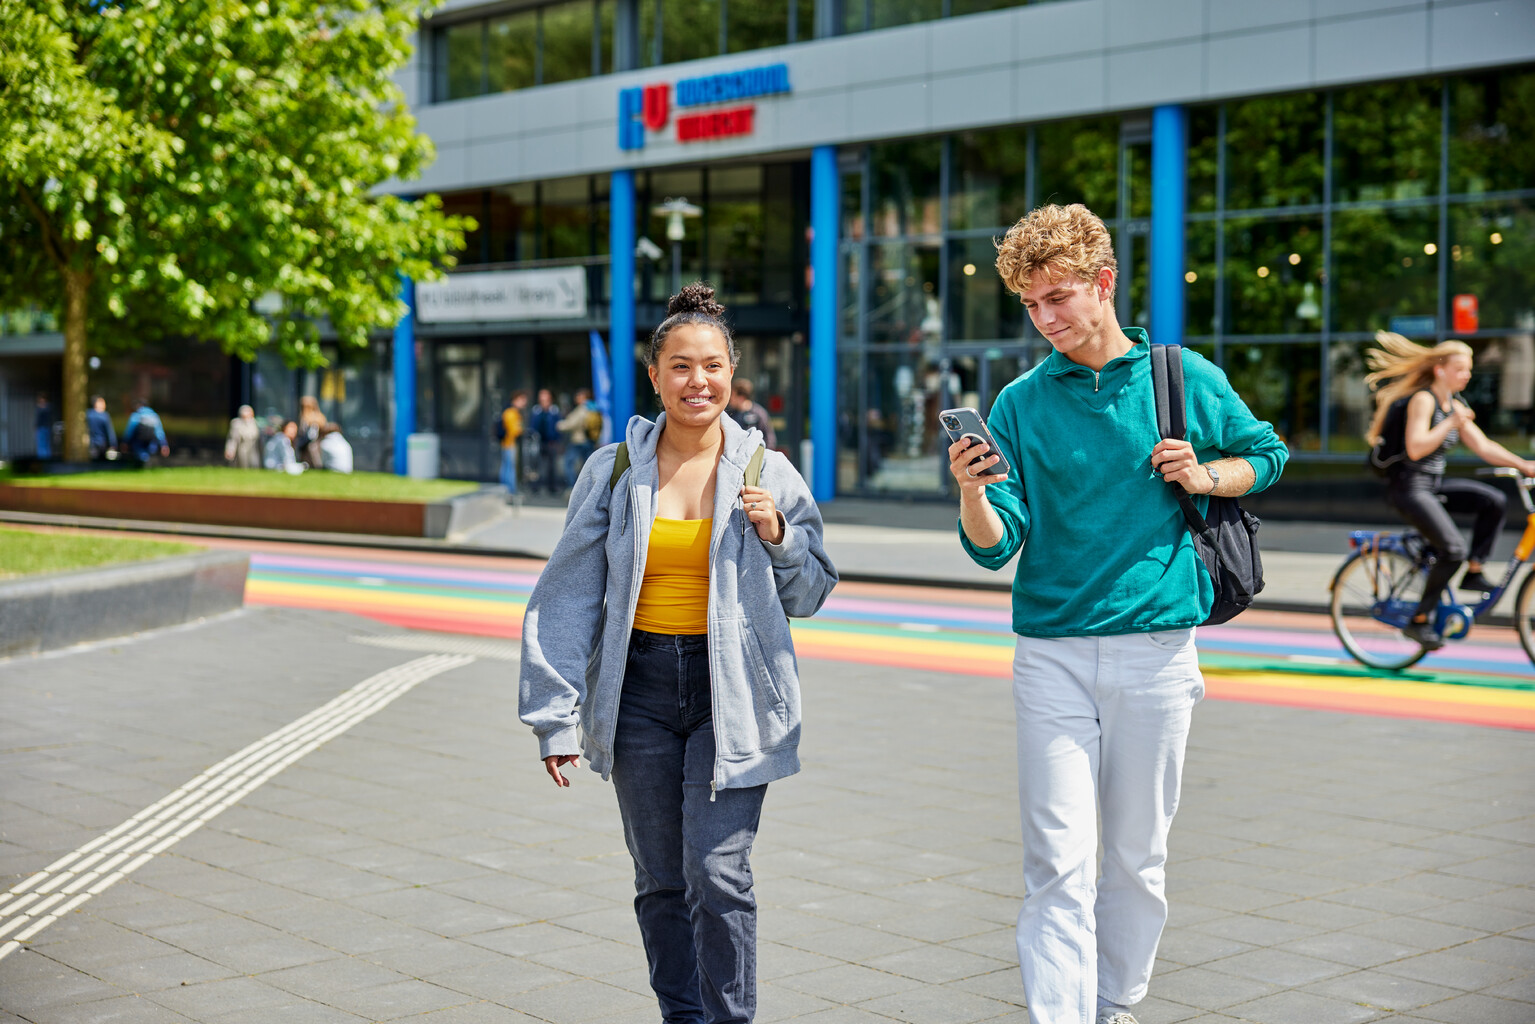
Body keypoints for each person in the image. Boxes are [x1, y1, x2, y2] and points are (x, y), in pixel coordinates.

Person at [956, 205, 1288, 1024]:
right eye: (1030, 305)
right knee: (1057, 864)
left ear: (1103, 285)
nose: (1046, 319)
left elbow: (1268, 454)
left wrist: (1206, 476)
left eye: (1058, 297)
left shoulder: (1182, 377)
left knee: (1136, 859)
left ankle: (1114, 1003)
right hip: (1052, 657)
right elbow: (998, 545)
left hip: (1156, 654)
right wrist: (971, 490)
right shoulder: (1021, 403)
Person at [520, 282, 837, 1024]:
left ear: (732, 373)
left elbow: (812, 591)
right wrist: (553, 716)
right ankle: (683, 1018)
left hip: (732, 694)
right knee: (661, 879)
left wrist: (779, 538)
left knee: (717, 873)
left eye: (714, 366)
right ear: (654, 375)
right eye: (682, 367)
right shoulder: (613, 471)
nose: (700, 381)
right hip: (639, 695)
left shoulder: (769, 471)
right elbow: (566, 595)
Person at [1364, 332, 1535, 648]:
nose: (1467, 375)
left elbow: (1483, 446)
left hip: (1432, 486)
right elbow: (1416, 448)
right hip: (1408, 488)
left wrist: (1524, 465)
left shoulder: (1454, 404)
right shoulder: (1424, 399)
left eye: (1469, 369)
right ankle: (1419, 620)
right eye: (1461, 369)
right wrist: (1450, 423)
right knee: (1453, 548)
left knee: (1493, 501)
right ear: (1441, 370)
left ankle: (1474, 571)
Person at [557, 387, 600, 485]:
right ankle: (589, 486)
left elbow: (572, 424)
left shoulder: (582, 409)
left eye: (578, 396)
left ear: (583, 397)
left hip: (578, 440)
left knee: (568, 463)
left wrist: (559, 425)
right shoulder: (593, 407)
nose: (576, 398)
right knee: (588, 465)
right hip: (590, 440)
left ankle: (572, 486)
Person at [528, 388, 564, 493]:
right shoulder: (536, 410)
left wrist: (557, 441)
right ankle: (535, 487)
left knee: (551, 466)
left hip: (551, 442)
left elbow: (558, 427)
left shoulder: (554, 411)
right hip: (538, 442)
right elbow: (532, 426)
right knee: (536, 465)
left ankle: (551, 487)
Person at [727, 379, 777, 450]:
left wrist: (763, 456)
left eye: (732, 395)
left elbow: (770, 438)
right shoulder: (729, 415)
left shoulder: (759, 413)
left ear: (741, 397)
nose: (730, 398)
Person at [497, 390, 528, 498]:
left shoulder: (510, 411)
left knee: (506, 467)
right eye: (522, 400)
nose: (524, 403)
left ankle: (506, 490)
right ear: (516, 400)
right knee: (510, 468)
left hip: (507, 444)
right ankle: (510, 491)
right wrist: (521, 428)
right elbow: (514, 430)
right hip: (510, 444)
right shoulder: (511, 412)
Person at [123, 399, 169, 464]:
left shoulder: (136, 415)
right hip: (151, 441)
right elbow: (159, 432)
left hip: (138, 441)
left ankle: (142, 463)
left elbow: (130, 431)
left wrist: (125, 442)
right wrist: (164, 445)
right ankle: (146, 463)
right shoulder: (154, 416)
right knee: (147, 455)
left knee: (141, 455)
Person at [298, 395, 327, 469]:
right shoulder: (320, 416)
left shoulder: (307, 418)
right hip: (319, 443)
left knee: (312, 464)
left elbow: (311, 435)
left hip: (310, 445)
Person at [86, 395, 116, 461]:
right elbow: (109, 432)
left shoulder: (88, 414)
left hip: (91, 444)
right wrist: (113, 444)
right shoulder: (104, 416)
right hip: (102, 444)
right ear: (97, 404)